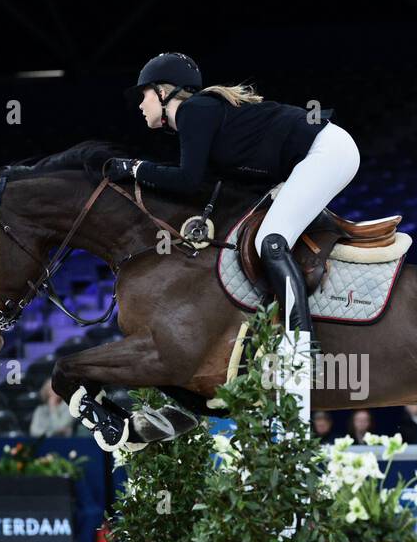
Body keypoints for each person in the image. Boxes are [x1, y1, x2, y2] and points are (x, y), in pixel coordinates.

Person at [104, 52, 361, 339]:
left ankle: (300, 343)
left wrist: (136, 168)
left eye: (144, 95)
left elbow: (188, 180)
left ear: (163, 92)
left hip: (326, 152)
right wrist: (140, 171)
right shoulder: (200, 114)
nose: (140, 104)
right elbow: (200, 180)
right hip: (318, 154)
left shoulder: (193, 110)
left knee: (271, 240)